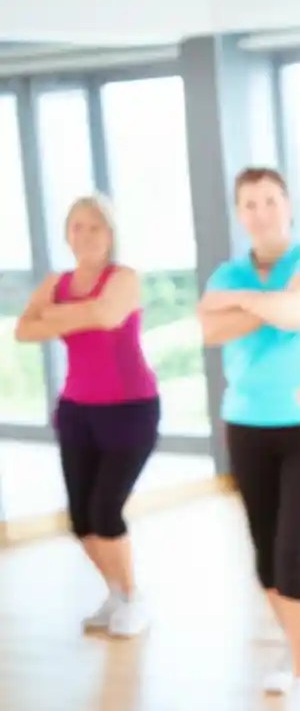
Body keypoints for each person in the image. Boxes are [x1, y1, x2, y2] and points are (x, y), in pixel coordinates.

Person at [198, 167, 300, 711]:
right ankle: (294, 643)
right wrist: (272, 305)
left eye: (270, 200)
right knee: (265, 557)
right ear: (240, 214)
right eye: (250, 204)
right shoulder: (227, 272)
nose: (261, 212)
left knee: (294, 550)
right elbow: (210, 330)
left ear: (288, 205)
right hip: (247, 425)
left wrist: (243, 305)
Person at [14, 195, 159, 638]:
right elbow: (24, 329)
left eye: (95, 227)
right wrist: (77, 315)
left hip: (130, 409)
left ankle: (134, 596)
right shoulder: (57, 282)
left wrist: (56, 316)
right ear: (67, 234)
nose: (85, 235)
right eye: (77, 227)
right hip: (77, 411)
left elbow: (107, 312)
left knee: (105, 508)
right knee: (81, 518)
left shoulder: (124, 278)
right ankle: (115, 593)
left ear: (110, 235)